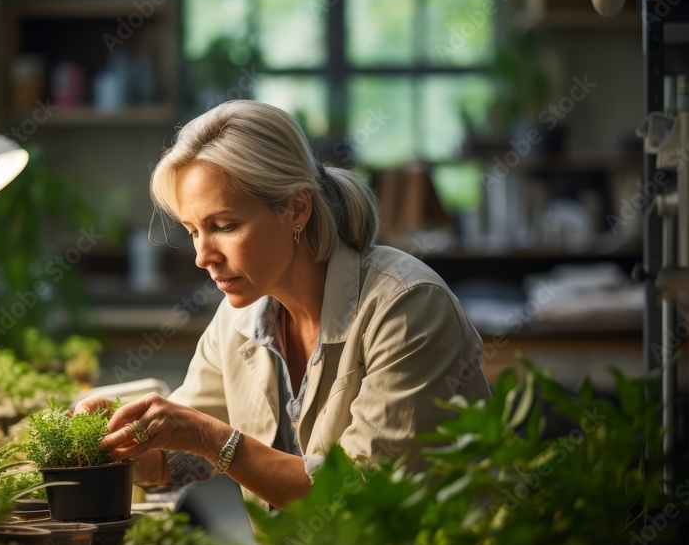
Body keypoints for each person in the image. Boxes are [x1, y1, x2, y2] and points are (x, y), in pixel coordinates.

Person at [75, 100, 489, 509]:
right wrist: (129, 443)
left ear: (296, 208)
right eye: (193, 231)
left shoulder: (406, 305)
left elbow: (360, 494)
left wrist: (211, 438)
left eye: (223, 227)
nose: (203, 256)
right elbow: (172, 462)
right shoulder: (240, 313)